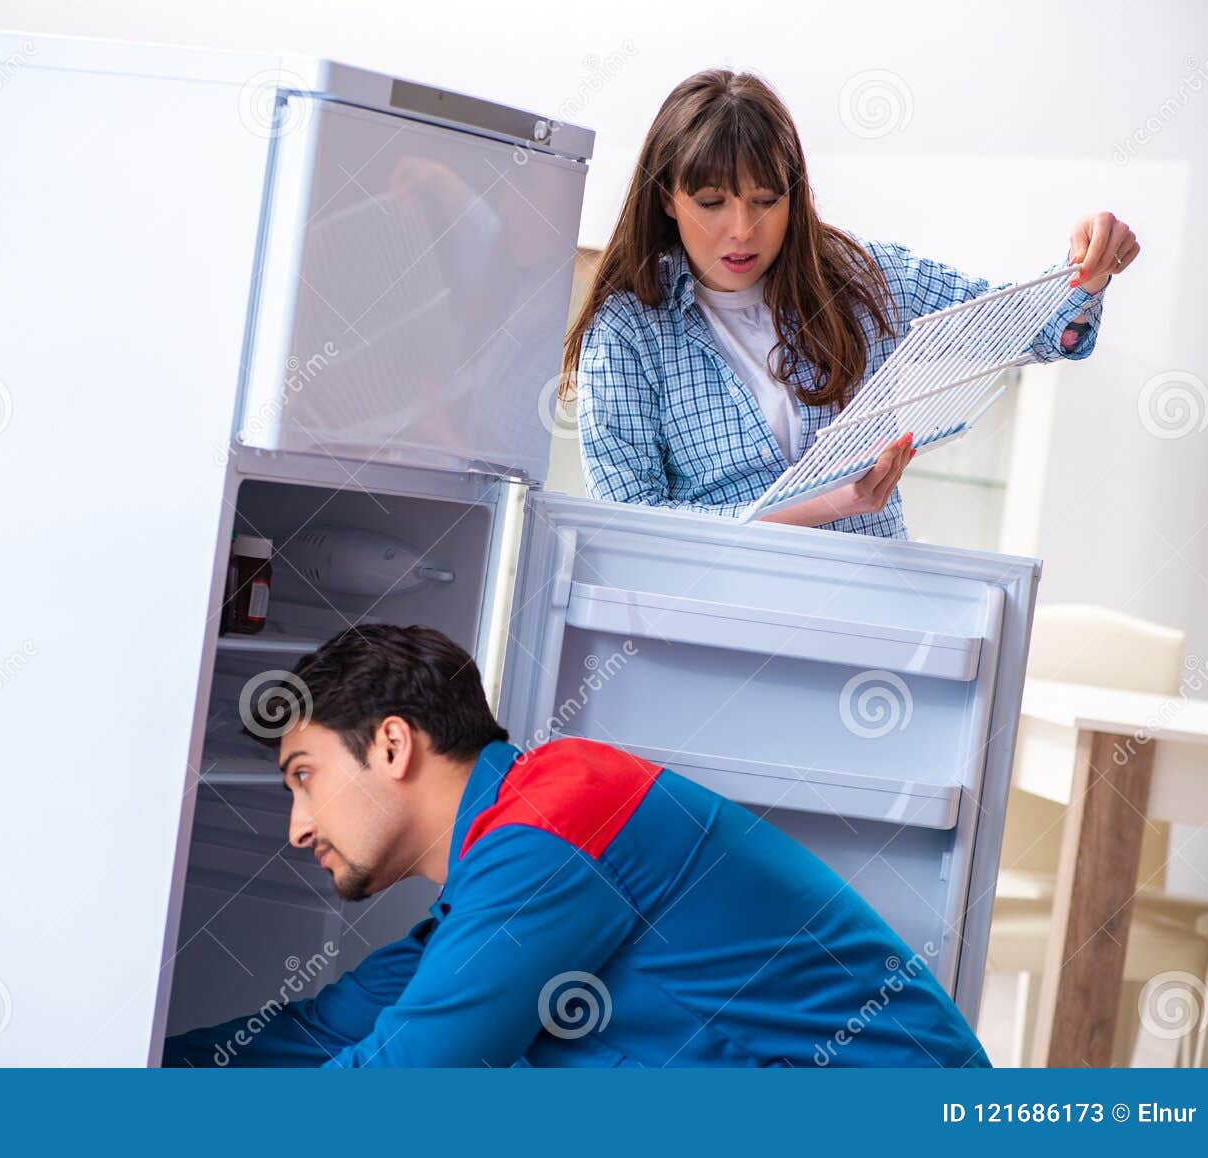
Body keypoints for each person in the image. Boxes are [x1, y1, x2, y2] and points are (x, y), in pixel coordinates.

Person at [164, 625, 989, 1067]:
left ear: (390, 745)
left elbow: (402, 1081)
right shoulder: (502, 869)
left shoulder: (558, 821)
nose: (298, 827)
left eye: (303, 777)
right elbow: (324, 1032)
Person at [565, 69, 1139, 538]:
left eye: (766, 200)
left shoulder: (861, 279)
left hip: (869, 617)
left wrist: (1087, 270)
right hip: (714, 624)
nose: (741, 230)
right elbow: (628, 529)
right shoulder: (629, 328)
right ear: (666, 198)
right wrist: (824, 504)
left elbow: (1029, 328)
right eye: (712, 202)